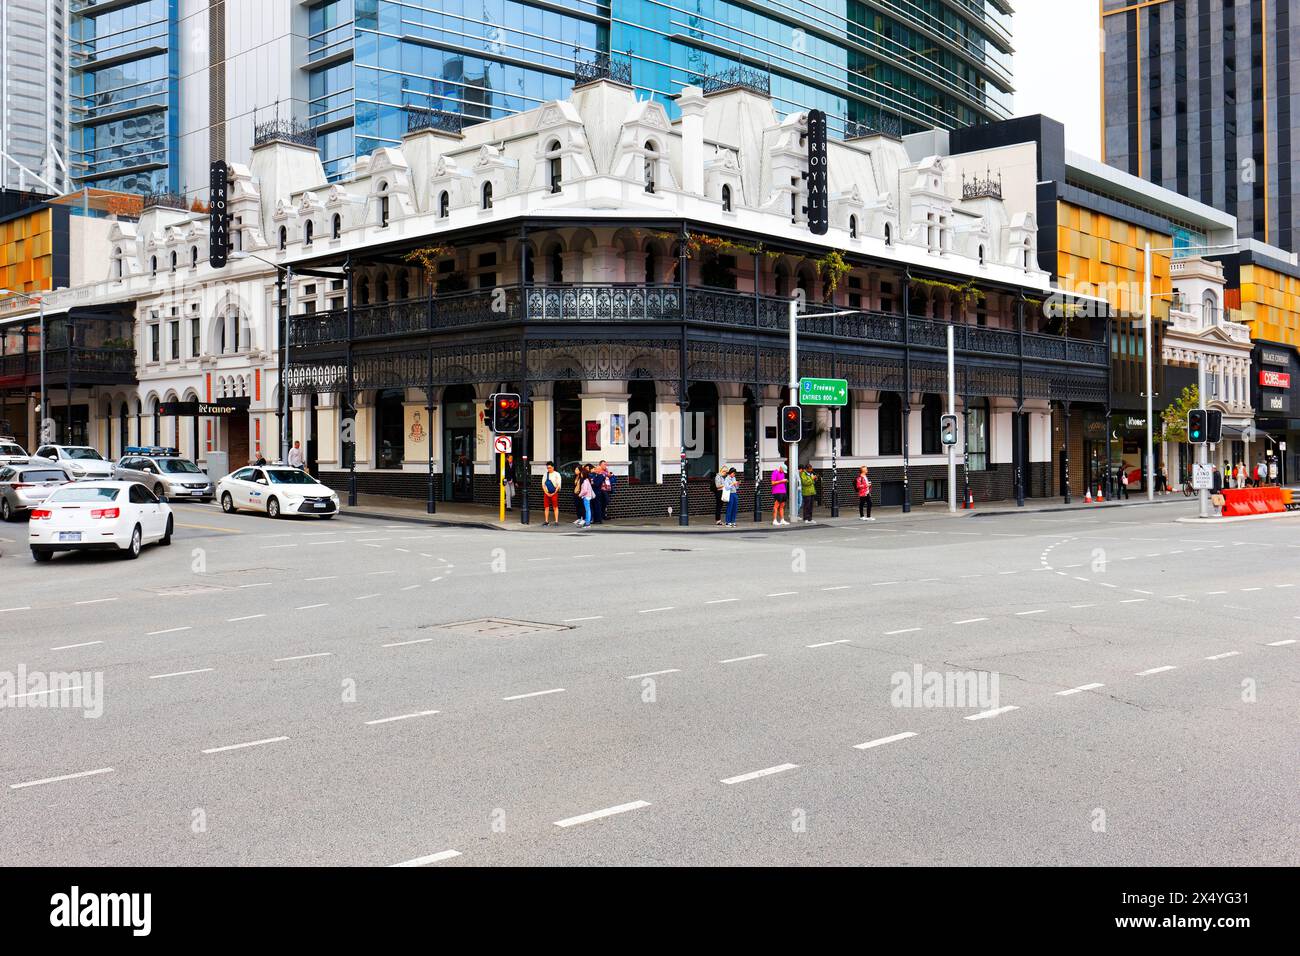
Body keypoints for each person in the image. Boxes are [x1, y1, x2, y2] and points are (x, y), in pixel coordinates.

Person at [542, 462, 562, 526]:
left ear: (553, 467)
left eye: (550, 468)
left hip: (554, 492)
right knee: (546, 507)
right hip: (546, 493)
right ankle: (546, 521)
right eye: (547, 468)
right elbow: (543, 485)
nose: (549, 469)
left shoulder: (557, 474)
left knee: (555, 507)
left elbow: (558, 485)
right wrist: (546, 493)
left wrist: (554, 493)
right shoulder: (545, 474)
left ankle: (556, 521)